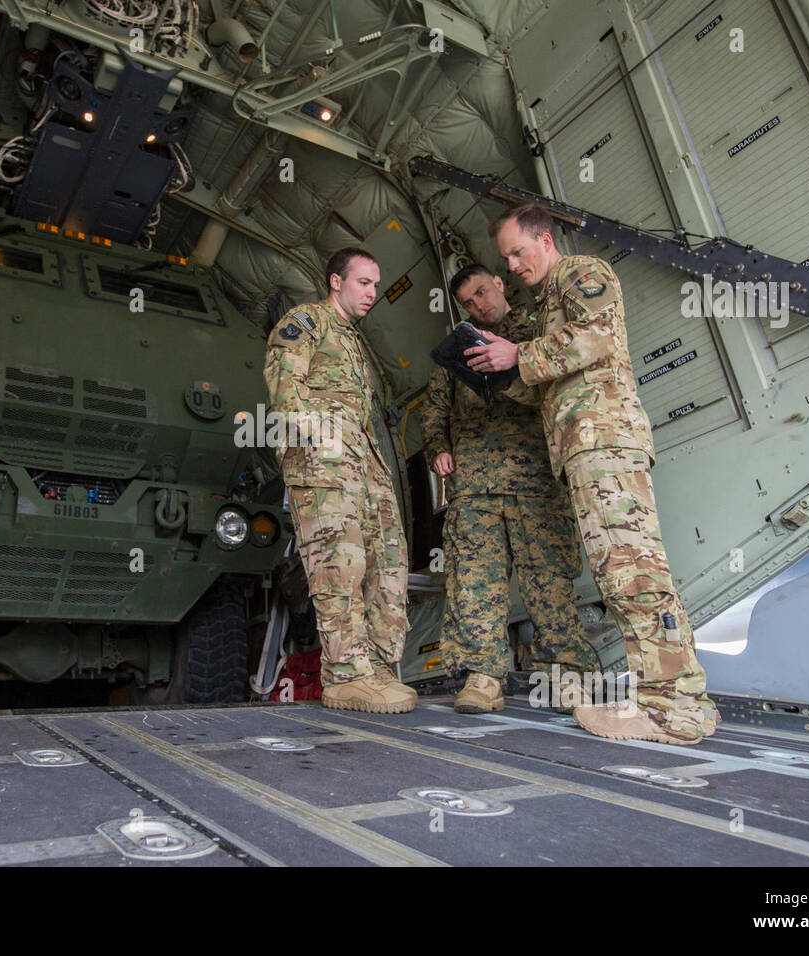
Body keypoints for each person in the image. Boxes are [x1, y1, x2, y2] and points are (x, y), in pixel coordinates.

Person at [465, 204, 717, 745]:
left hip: (603, 442)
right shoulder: (547, 301)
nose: (511, 265)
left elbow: (598, 335)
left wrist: (520, 352)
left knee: (630, 573)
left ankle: (668, 709)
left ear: (545, 239)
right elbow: (544, 381)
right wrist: (498, 372)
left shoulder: (583, 273)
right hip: (585, 448)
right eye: (505, 257)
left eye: (517, 251)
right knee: (627, 571)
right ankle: (686, 697)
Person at [420, 264, 599, 714]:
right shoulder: (461, 347)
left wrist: (515, 363)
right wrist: (437, 448)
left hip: (536, 480)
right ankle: (483, 678)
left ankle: (567, 676)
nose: (480, 305)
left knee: (549, 581)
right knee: (475, 584)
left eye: (483, 292)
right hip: (475, 485)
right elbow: (434, 409)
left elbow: (562, 390)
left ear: (501, 284)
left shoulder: (538, 331)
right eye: (470, 302)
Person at [263, 247, 415, 714]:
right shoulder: (308, 321)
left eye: (375, 285)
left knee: (387, 563)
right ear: (336, 281)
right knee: (340, 565)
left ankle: (378, 669)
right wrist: (323, 448)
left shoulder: (353, 342)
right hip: (327, 464)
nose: (373, 293)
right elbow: (286, 393)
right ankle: (346, 675)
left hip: (364, 464)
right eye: (364, 282)